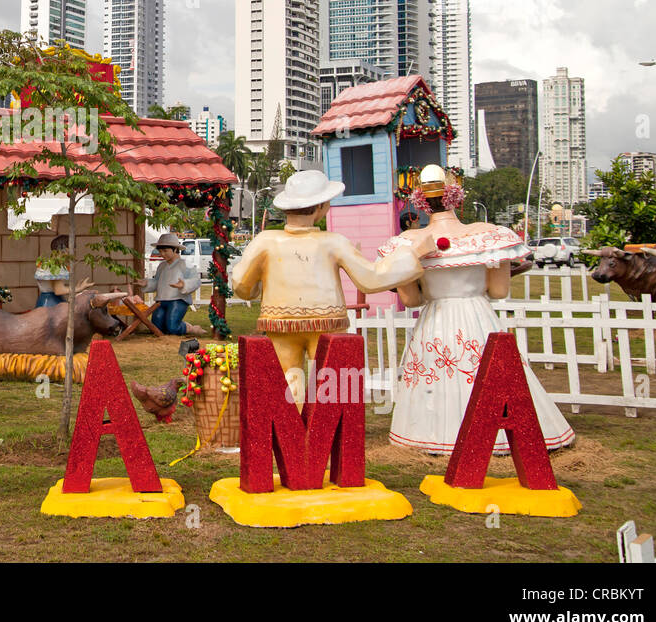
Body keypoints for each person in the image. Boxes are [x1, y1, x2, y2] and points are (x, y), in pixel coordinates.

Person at [381, 164, 575, 455]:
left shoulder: (407, 243)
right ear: (456, 197)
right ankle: (502, 436)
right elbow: (498, 291)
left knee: (436, 377)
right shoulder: (488, 236)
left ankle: (434, 437)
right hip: (477, 316)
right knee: (490, 372)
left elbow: (411, 301)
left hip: (435, 320)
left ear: (420, 201)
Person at [230, 170, 432, 402]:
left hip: (280, 322)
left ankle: (291, 431)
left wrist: (256, 290)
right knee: (331, 385)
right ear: (321, 207)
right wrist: (412, 255)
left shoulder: (264, 241)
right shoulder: (334, 242)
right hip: (327, 321)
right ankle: (324, 431)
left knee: (286, 383)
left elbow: (241, 283)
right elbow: (371, 278)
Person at [143, 233, 200, 337]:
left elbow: (196, 280)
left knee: (172, 327)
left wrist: (184, 284)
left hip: (178, 300)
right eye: (160, 251)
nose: (162, 254)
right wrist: (147, 283)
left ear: (175, 249)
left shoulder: (185, 264)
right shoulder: (162, 266)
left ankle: (189, 327)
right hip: (161, 301)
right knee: (156, 328)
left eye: (165, 251)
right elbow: (157, 282)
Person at [34, 236, 72, 308]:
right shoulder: (55, 267)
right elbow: (59, 290)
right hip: (51, 303)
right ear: (62, 251)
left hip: (47, 299)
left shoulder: (47, 264)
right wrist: (78, 288)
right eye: (70, 252)